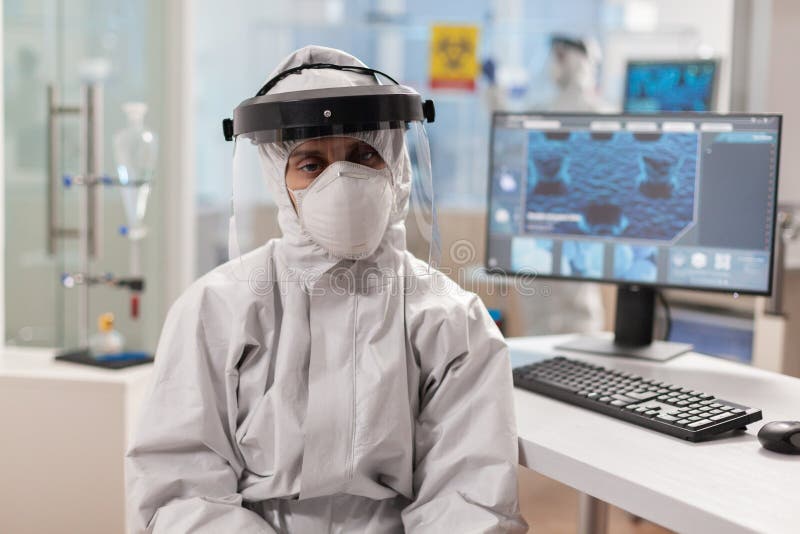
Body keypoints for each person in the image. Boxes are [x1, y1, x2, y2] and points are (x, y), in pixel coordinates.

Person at [126, 45, 527, 533]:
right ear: (280, 179)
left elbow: (469, 497)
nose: (342, 181)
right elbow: (181, 487)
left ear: (396, 167)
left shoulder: (450, 318)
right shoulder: (216, 308)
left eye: (363, 155)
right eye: (311, 164)